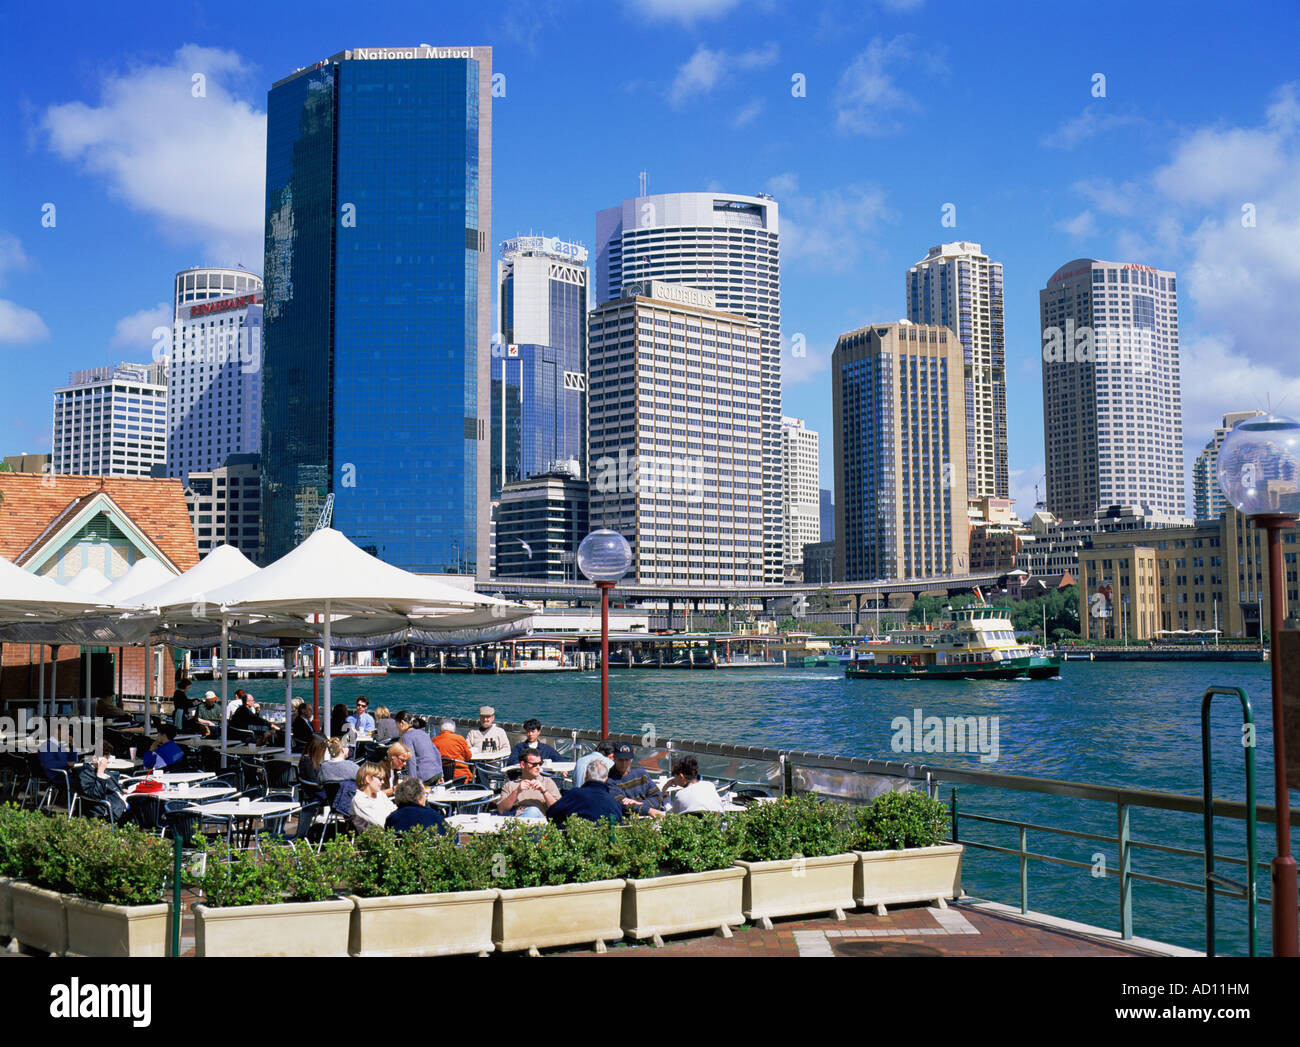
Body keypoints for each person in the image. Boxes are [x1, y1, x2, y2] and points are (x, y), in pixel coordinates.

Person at [547, 761, 623, 826]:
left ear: (586, 775)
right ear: (606, 779)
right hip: (604, 841)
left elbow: (551, 814)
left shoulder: (574, 795)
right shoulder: (613, 802)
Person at [495, 750, 560, 818]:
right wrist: (517, 791)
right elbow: (501, 811)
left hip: (541, 824)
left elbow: (558, 810)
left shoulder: (548, 783)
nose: (538, 767)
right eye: (534, 764)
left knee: (534, 811)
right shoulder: (510, 785)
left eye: (540, 763)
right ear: (523, 764)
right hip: (519, 821)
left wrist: (544, 791)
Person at [607, 743, 665, 816]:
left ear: (631, 759)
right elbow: (622, 805)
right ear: (614, 758)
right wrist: (649, 810)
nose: (624, 763)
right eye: (620, 760)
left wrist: (638, 803)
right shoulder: (610, 779)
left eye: (626, 760)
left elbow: (658, 798)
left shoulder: (641, 773)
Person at [385, 776, 449, 834]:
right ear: (419, 796)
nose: (425, 798)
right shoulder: (433, 815)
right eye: (424, 794)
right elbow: (451, 838)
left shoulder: (391, 818)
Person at [394, 711, 443, 784]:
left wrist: (413, 781)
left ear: (402, 723)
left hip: (425, 775)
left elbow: (411, 759)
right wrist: (441, 775)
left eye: (396, 725)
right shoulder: (423, 733)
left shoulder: (406, 736)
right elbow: (437, 753)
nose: (397, 728)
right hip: (436, 772)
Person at [76, 755, 129, 823]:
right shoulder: (84, 773)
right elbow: (95, 795)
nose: (108, 761)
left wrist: (121, 790)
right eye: (106, 757)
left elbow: (111, 787)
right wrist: (100, 773)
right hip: (107, 810)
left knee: (142, 800)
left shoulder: (102, 770)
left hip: (118, 803)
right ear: (94, 758)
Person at [351, 762, 397, 831]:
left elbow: (395, 811)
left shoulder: (380, 795)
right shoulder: (359, 800)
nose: (383, 782)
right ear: (368, 779)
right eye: (380, 779)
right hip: (377, 838)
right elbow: (379, 823)